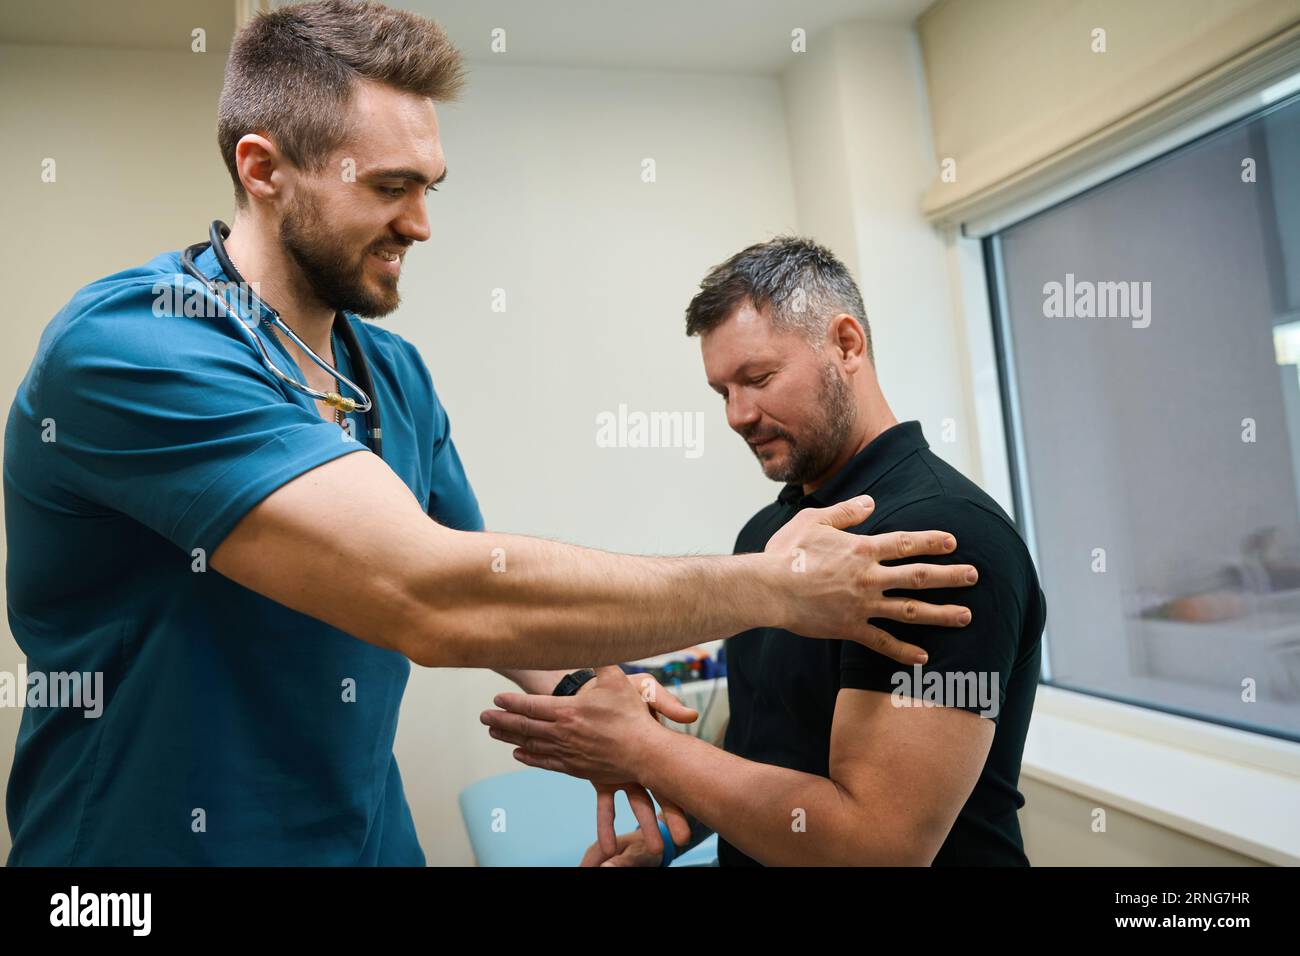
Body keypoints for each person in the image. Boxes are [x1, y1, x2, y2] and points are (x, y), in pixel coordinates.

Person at [3, 4, 976, 866]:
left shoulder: (393, 373)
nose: (422, 223)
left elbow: (482, 575)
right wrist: (766, 587)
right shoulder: (135, 346)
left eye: (430, 183)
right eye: (390, 187)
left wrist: (597, 689)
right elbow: (429, 595)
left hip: (365, 839)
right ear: (263, 168)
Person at [481, 237, 1047, 866]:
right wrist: (674, 832)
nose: (738, 415)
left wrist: (641, 749)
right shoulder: (766, 537)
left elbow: (878, 849)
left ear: (847, 344)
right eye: (722, 392)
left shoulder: (940, 537)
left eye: (758, 379)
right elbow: (764, 734)